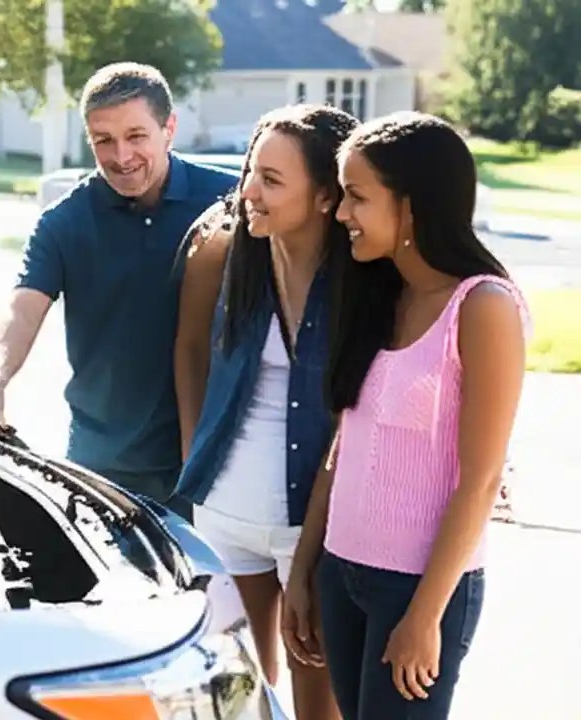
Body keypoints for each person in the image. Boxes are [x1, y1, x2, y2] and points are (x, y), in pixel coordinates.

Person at [283, 111, 530, 720]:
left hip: (418, 588)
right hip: (341, 572)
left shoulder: (483, 306)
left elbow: (481, 480)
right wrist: (305, 568)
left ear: (412, 206)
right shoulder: (378, 293)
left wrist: (424, 616)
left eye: (358, 197)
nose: (342, 213)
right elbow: (343, 443)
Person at [0, 62, 236, 520]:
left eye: (136, 136)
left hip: (213, 460)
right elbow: (22, 308)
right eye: (103, 140)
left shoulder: (228, 200)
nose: (121, 156)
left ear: (169, 129)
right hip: (103, 465)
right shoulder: (64, 222)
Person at [172, 104, 355, 720]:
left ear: (326, 196)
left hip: (319, 524)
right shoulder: (223, 247)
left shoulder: (365, 273)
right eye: (251, 170)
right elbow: (190, 347)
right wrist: (195, 450)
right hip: (225, 513)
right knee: (240, 700)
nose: (248, 190)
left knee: (317, 703)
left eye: (272, 180)